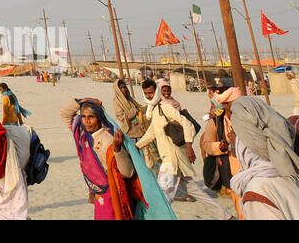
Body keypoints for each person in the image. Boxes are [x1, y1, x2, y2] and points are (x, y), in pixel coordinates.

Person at [220, 90, 299, 220]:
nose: (231, 137)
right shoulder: (297, 172)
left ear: (245, 141)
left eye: (235, 133)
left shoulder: (258, 189)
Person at [61, 97, 166, 220]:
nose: (87, 121)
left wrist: (118, 150)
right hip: (99, 193)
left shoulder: (108, 139)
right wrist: (83, 100)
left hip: (111, 193)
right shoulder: (82, 134)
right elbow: (64, 113)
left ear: (99, 118)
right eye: (83, 116)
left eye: (91, 117)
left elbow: (127, 172)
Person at [135, 78, 228, 217]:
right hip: (171, 158)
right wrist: (136, 146)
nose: (149, 96)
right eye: (146, 93)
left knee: (163, 194)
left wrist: (189, 146)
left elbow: (187, 124)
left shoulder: (165, 107)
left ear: (156, 92)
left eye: (151, 93)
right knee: (196, 192)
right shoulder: (154, 111)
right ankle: (226, 215)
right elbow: (151, 133)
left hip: (172, 159)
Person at [199, 79, 239, 217]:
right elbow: (206, 144)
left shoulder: (247, 117)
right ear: (225, 104)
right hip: (233, 174)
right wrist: (220, 147)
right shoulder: (216, 121)